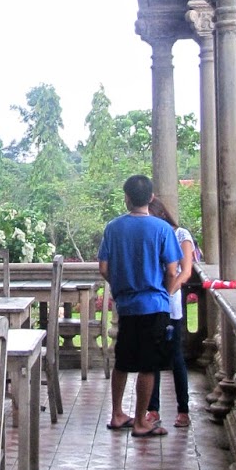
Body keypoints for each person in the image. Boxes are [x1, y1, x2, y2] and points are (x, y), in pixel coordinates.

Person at [97, 174, 182, 437]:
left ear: (127, 198)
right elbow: (171, 269)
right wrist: (164, 293)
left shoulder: (113, 228)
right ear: (152, 198)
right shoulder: (162, 229)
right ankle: (141, 422)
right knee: (148, 364)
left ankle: (117, 413)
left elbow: (104, 267)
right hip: (153, 304)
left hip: (127, 305)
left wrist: (122, 285)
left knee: (122, 360)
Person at [146, 198, 199, 429]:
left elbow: (185, 271)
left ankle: (183, 409)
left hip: (171, 305)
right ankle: (153, 409)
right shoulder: (152, 235)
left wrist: (167, 293)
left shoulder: (180, 235)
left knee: (176, 356)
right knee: (152, 357)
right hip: (151, 303)